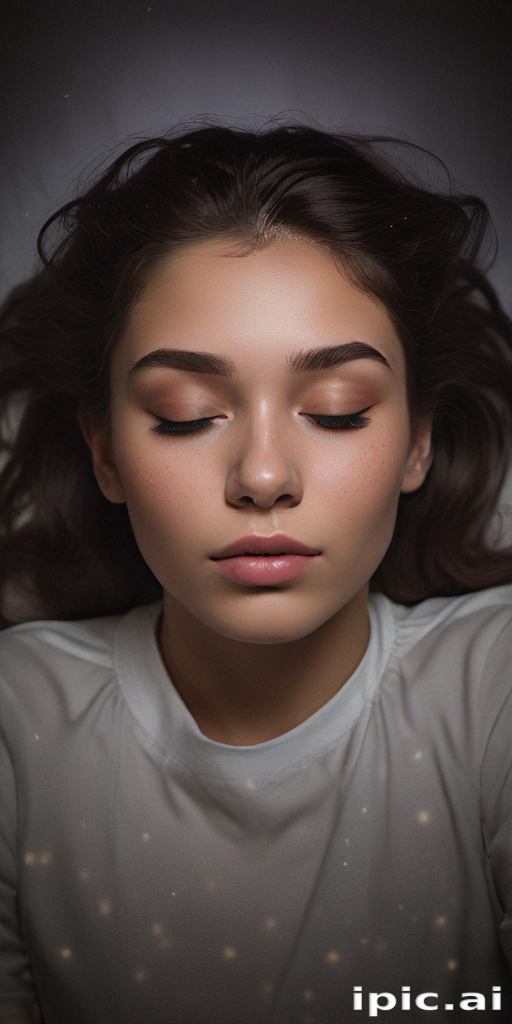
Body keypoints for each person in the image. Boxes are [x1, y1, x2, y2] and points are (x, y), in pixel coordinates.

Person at [1, 125, 512, 1024]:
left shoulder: (495, 690)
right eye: (186, 414)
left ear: (419, 440)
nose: (264, 476)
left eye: (337, 410)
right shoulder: (18, 723)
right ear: (103, 451)